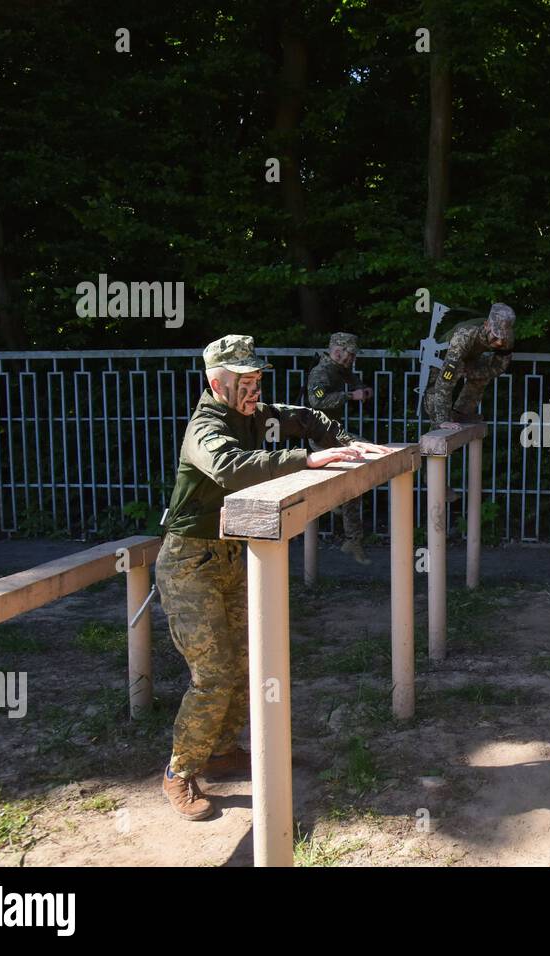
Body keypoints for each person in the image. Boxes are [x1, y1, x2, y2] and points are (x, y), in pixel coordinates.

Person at [156, 334, 390, 821]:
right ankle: (180, 772)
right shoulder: (207, 425)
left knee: (245, 659)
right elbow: (231, 468)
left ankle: (221, 750)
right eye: (246, 381)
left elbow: (308, 417)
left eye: (258, 379)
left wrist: (343, 445)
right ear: (217, 382)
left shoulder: (253, 414)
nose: (255, 389)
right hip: (188, 561)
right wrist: (305, 458)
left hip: (229, 556)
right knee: (213, 672)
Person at [307, 332, 374, 562]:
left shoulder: (340, 369)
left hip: (333, 433)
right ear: (337, 352)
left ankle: (353, 539)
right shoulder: (321, 372)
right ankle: (337, 504)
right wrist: (349, 396)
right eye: (350, 355)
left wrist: (362, 389)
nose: (352, 360)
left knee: (355, 480)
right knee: (367, 452)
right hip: (321, 437)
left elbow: (353, 379)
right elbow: (317, 401)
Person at [425, 302, 516, 432]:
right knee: (439, 389)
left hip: (469, 359)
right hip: (444, 357)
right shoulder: (464, 336)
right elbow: (445, 380)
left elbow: (499, 366)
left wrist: (474, 373)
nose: (500, 342)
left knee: (485, 372)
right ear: (486, 325)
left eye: (503, 337)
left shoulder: (507, 338)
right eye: (496, 336)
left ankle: (462, 413)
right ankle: (438, 425)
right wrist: (442, 420)